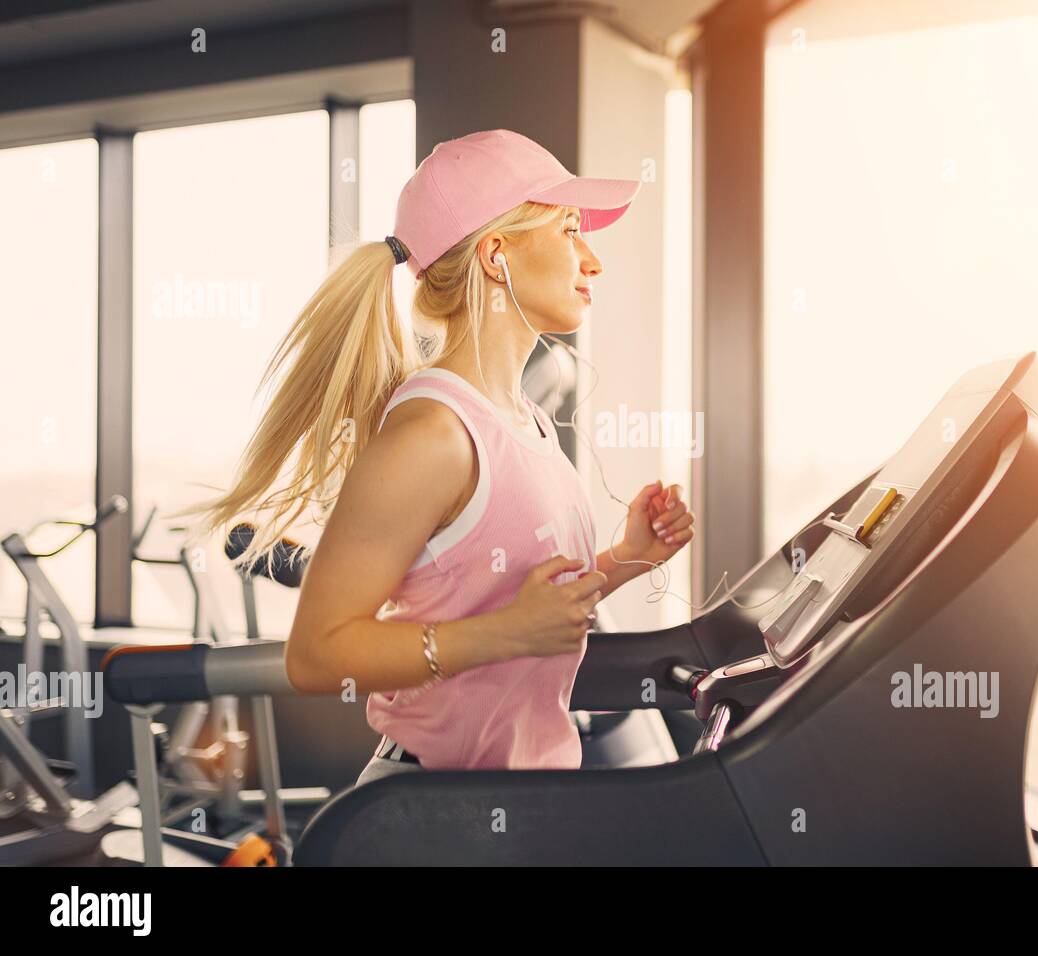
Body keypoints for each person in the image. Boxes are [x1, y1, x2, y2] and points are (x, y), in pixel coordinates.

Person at [189, 129, 694, 783]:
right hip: (431, 811)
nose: (592, 259)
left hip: (523, 797)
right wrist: (508, 634)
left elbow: (524, 607)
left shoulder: (526, 422)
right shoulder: (433, 435)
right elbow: (314, 655)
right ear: (496, 256)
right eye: (569, 229)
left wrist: (629, 557)